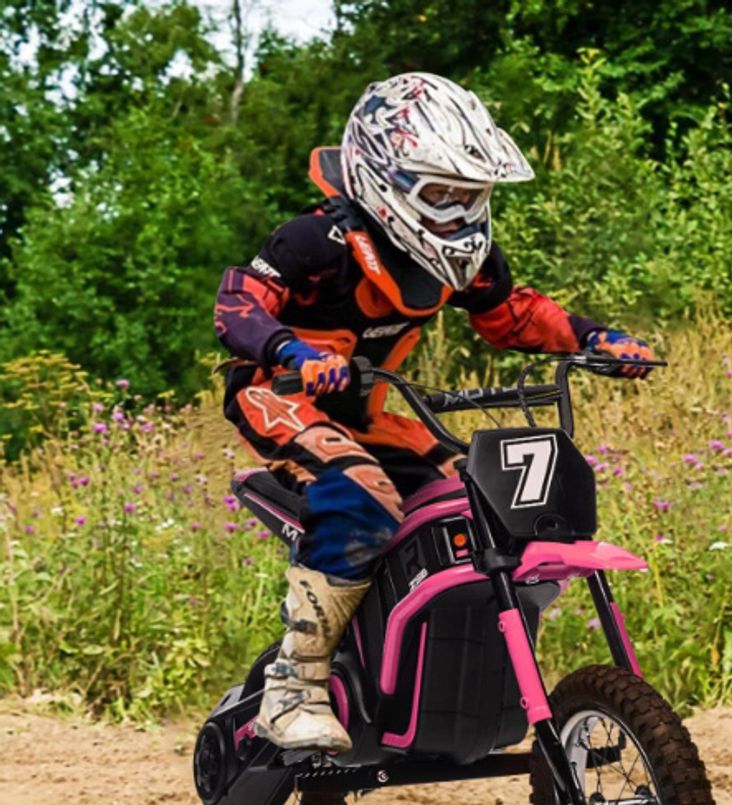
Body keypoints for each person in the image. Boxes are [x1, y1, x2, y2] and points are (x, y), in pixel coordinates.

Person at [213, 72, 655, 752]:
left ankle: (440, 666)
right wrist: (288, 348)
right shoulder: (313, 242)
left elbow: (513, 316)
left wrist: (595, 338)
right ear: (386, 178)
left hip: (363, 402)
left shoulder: (460, 261)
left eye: (470, 196)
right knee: (364, 497)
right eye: (442, 194)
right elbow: (235, 305)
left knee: (478, 497)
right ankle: (292, 685)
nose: (459, 211)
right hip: (279, 391)